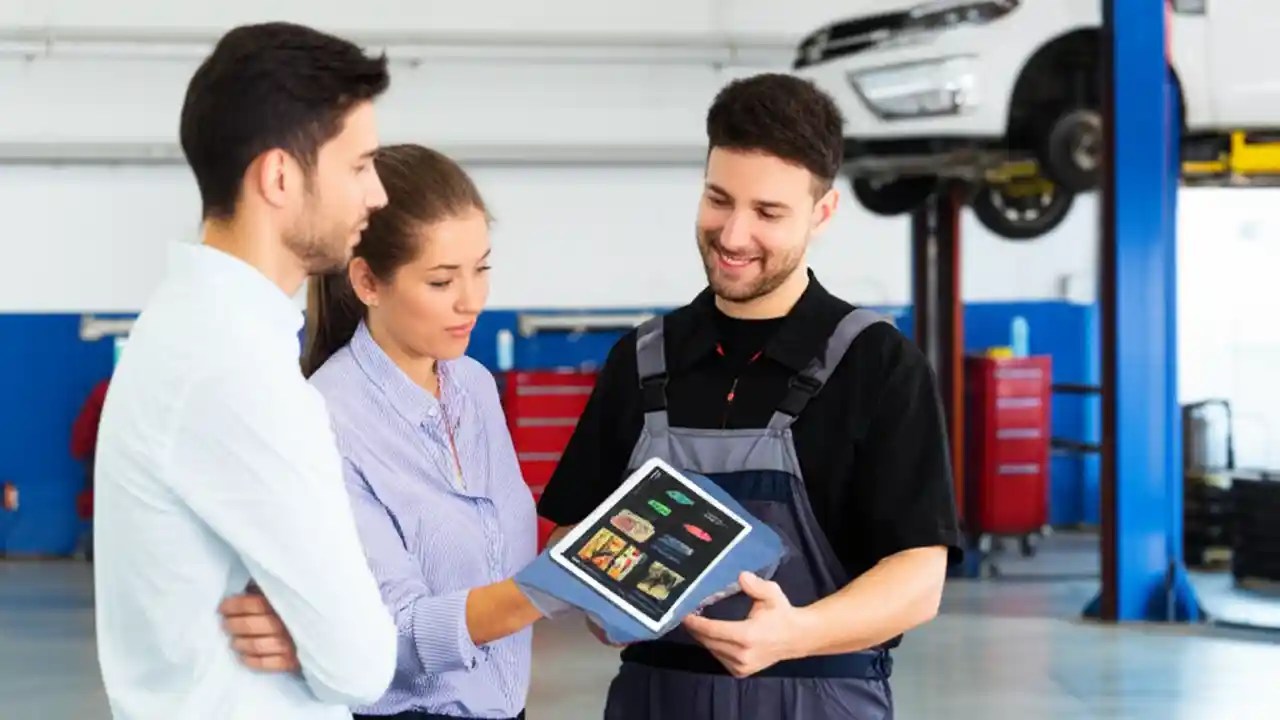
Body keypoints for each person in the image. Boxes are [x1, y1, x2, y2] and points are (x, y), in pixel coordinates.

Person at [536, 72, 963, 719]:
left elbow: (918, 580)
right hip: (655, 697)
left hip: (817, 697)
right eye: (718, 199)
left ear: (822, 213)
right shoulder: (642, 359)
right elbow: (574, 530)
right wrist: (601, 594)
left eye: (767, 213)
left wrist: (797, 634)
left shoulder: (877, 365)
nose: (733, 236)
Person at [92, 22, 398, 720]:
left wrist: (316, 631)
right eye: (358, 166)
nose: (377, 194)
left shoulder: (196, 331)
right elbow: (361, 662)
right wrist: (330, 637)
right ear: (281, 176)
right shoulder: (234, 369)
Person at [218, 144, 555, 720]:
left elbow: (501, 555)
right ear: (368, 283)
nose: (472, 301)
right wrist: (564, 587)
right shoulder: (324, 418)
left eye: (482, 269)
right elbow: (389, 634)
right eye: (442, 281)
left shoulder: (471, 385)